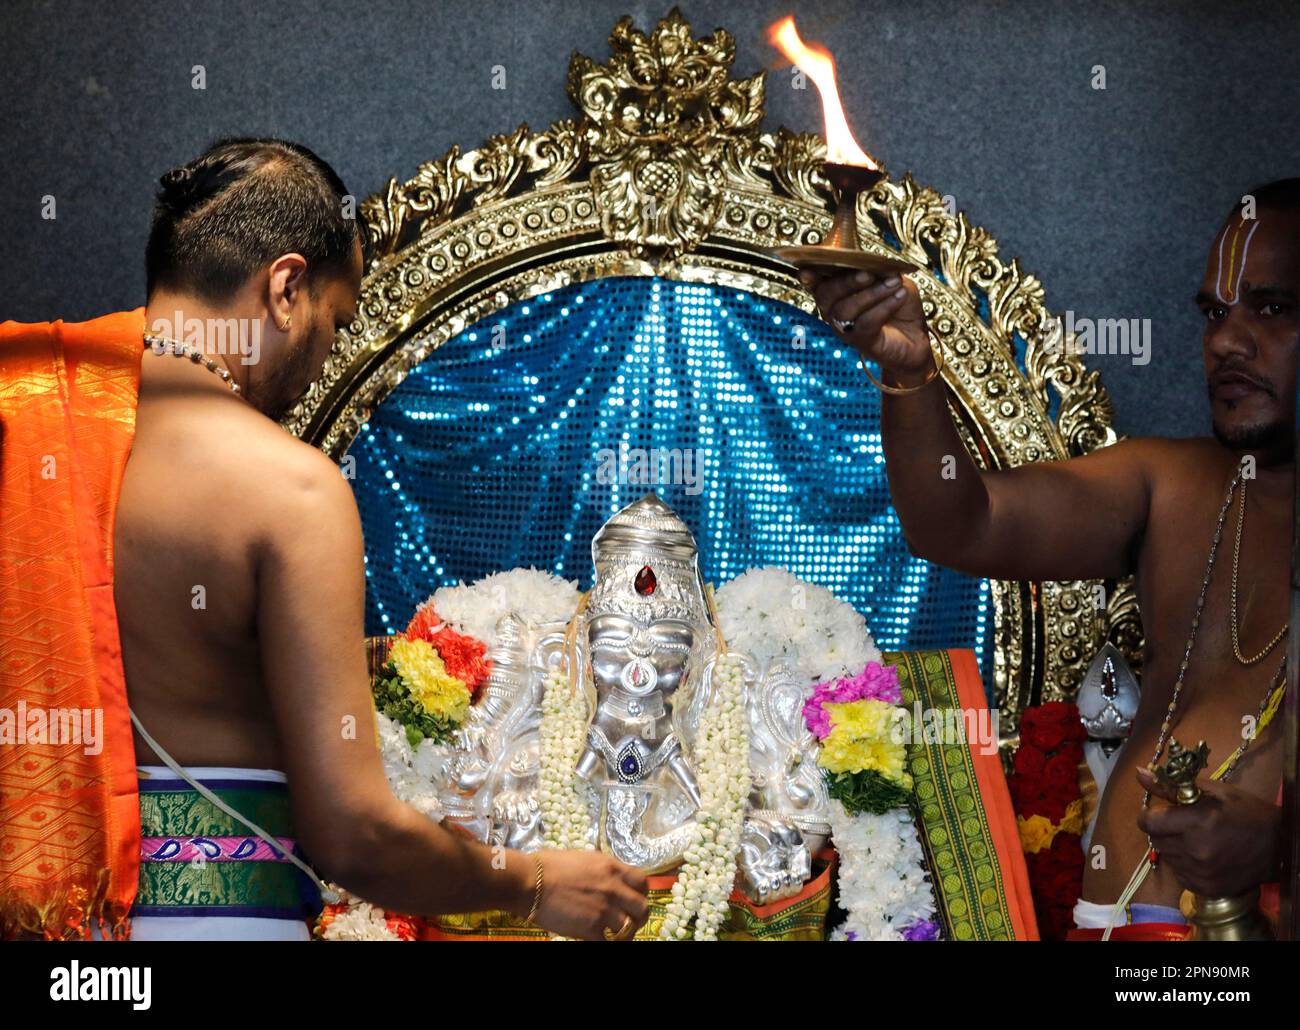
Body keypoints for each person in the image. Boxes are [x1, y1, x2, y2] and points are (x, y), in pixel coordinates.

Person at [0, 137, 648, 941]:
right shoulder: (291, 490)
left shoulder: (22, 425)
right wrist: (537, 883)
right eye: (335, 324)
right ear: (285, 287)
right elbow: (353, 833)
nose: (321, 363)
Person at [805, 178, 1299, 940]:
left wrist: (1277, 848)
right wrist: (908, 373)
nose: (1228, 340)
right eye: (1214, 313)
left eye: (1272, 308)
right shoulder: (1170, 484)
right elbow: (957, 525)